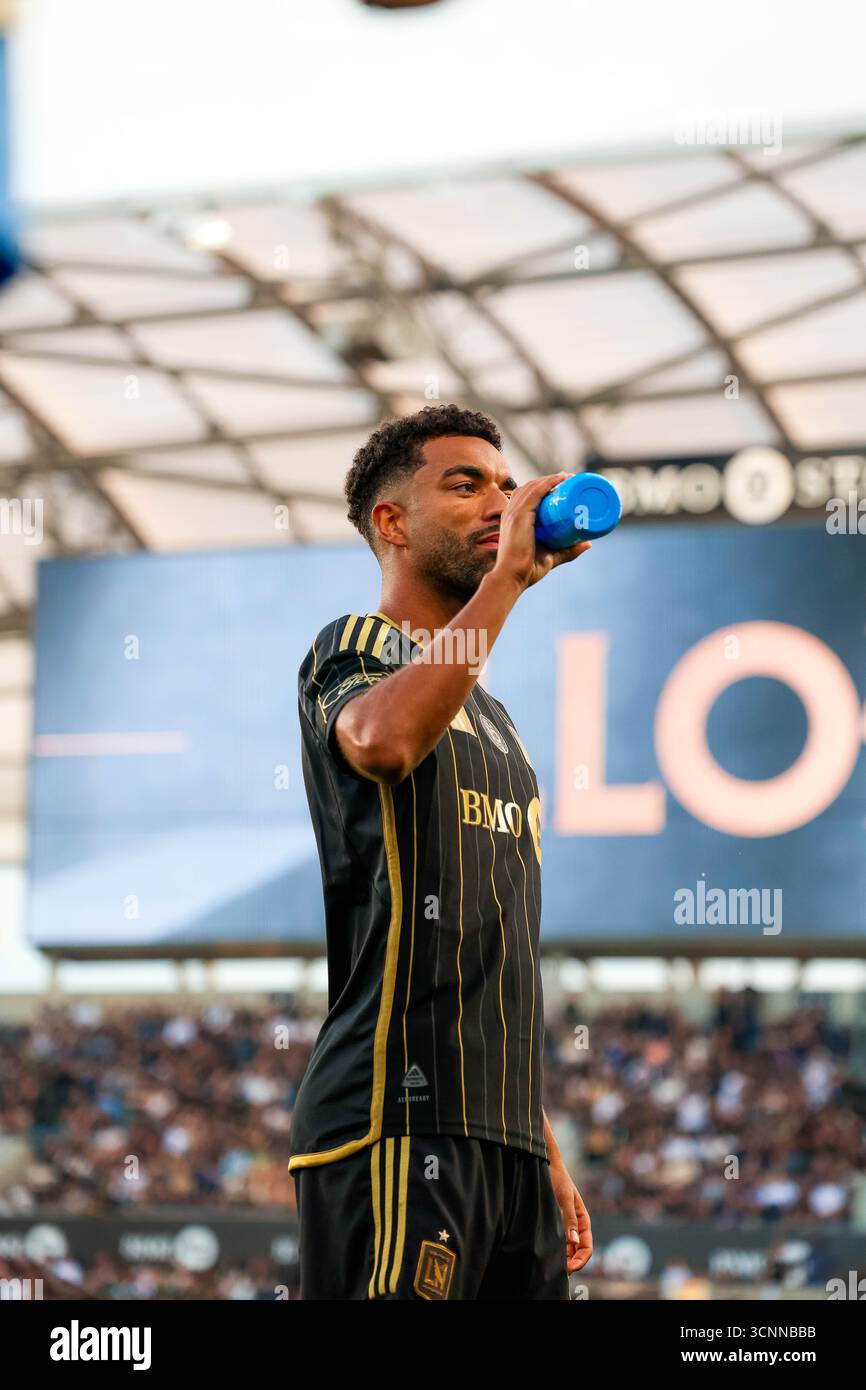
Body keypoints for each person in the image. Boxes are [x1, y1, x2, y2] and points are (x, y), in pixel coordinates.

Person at [289, 403, 593, 1299]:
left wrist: (533, 1141)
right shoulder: (355, 647)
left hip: (502, 1146)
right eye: (464, 486)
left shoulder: (497, 723)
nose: (498, 503)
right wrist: (507, 581)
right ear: (391, 523)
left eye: (506, 485)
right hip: (395, 1118)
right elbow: (380, 742)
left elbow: (487, 949)